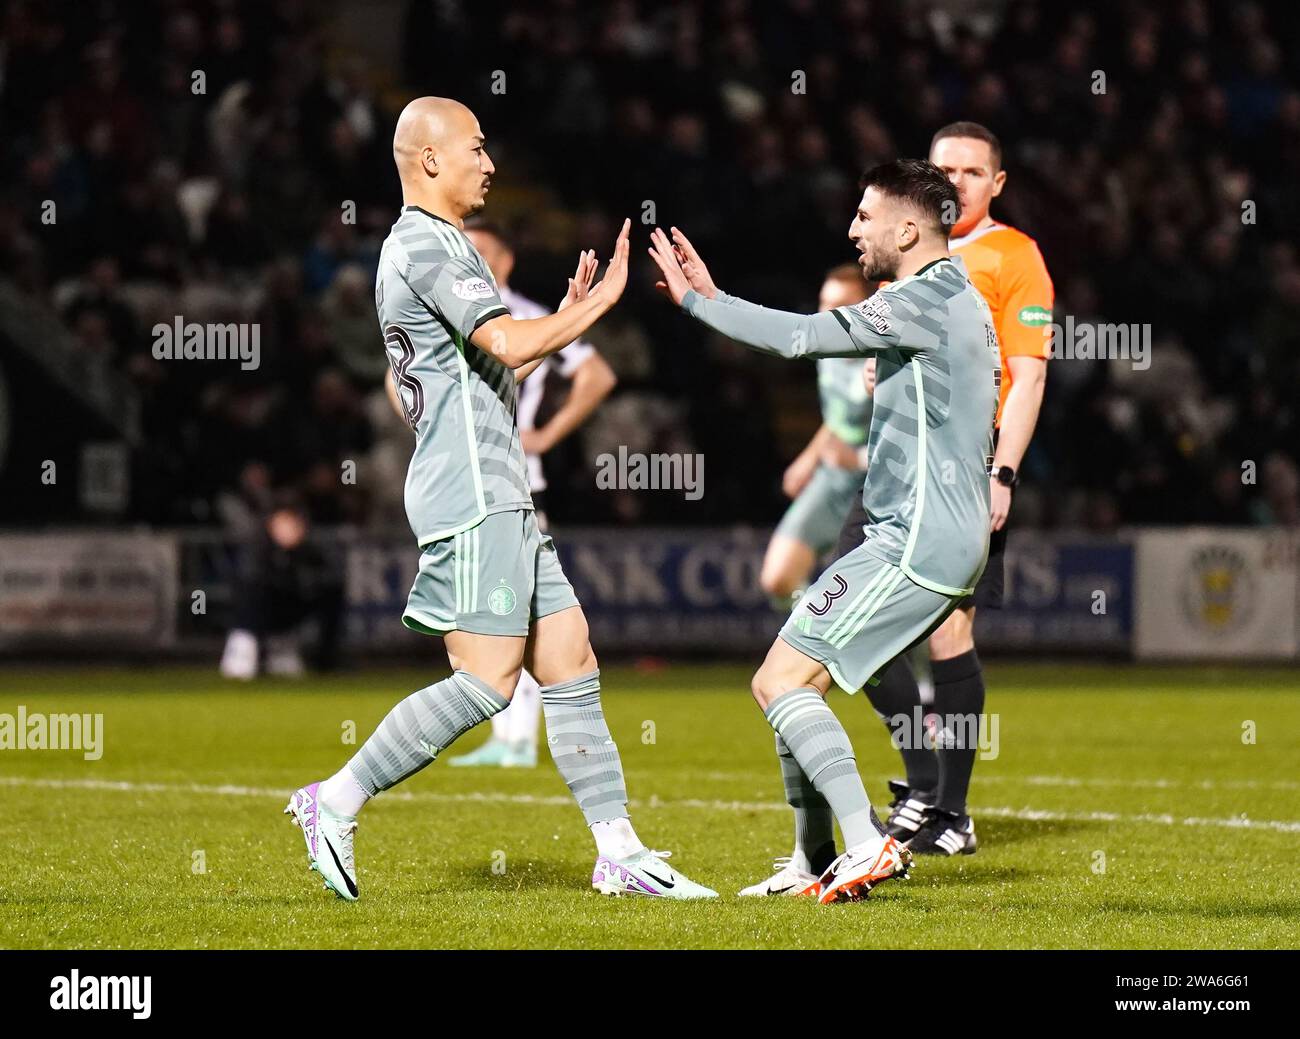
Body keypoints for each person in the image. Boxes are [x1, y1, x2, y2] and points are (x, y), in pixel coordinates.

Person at [284, 96, 715, 901]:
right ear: (431, 159)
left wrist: (564, 316)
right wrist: (597, 304)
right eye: (476, 148)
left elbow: (489, 366)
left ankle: (619, 850)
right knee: (488, 680)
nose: (489, 163)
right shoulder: (424, 243)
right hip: (472, 489)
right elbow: (507, 344)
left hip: (498, 484)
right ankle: (334, 799)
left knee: (570, 658)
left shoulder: (442, 244)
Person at [648, 159, 999, 903]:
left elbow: (801, 337)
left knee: (779, 681)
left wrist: (702, 303)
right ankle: (811, 859)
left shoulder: (920, 299)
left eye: (866, 216)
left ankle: (868, 843)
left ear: (910, 229)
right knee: (792, 679)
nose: (852, 230)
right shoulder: (957, 298)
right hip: (930, 533)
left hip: (915, 538)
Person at [836, 122, 1054, 856]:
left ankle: (949, 812)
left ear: (998, 183)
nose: (956, 181)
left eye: (972, 171)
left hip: (967, 471)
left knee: (948, 632)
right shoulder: (908, 253)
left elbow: (1028, 376)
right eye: (944, 169)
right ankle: (924, 781)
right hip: (895, 472)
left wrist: (1003, 472)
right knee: (848, 625)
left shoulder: (1013, 256)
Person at [448, 218, 617, 769]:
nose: (470, 257)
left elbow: (597, 375)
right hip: (470, 474)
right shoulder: (459, 308)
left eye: (481, 249)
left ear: (506, 261)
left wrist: (545, 435)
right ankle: (510, 734)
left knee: (511, 607)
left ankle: (517, 737)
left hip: (516, 476)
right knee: (495, 606)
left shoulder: (520, 314)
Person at [760, 264, 877, 609]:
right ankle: (816, 624)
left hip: (881, 489)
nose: (827, 315)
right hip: (833, 479)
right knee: (778, 579)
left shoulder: (883, 358)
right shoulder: (825, 351)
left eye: (840, 306)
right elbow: (838, 419)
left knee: (875, 599)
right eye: (824, 304)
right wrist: (809, 459)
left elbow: (916, 435)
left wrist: (858, 459)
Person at [219, 499, 344, 680]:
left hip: (289, 610)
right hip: (257, 616)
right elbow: (251, 582)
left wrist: (305, 581)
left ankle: (325, 660)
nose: (289, 529)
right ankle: (248, 649)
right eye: (283, 523)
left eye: (293, 523)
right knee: (254, 596)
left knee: (332, 594)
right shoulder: (259, 547)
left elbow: (326, 577)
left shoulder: (308, 549)